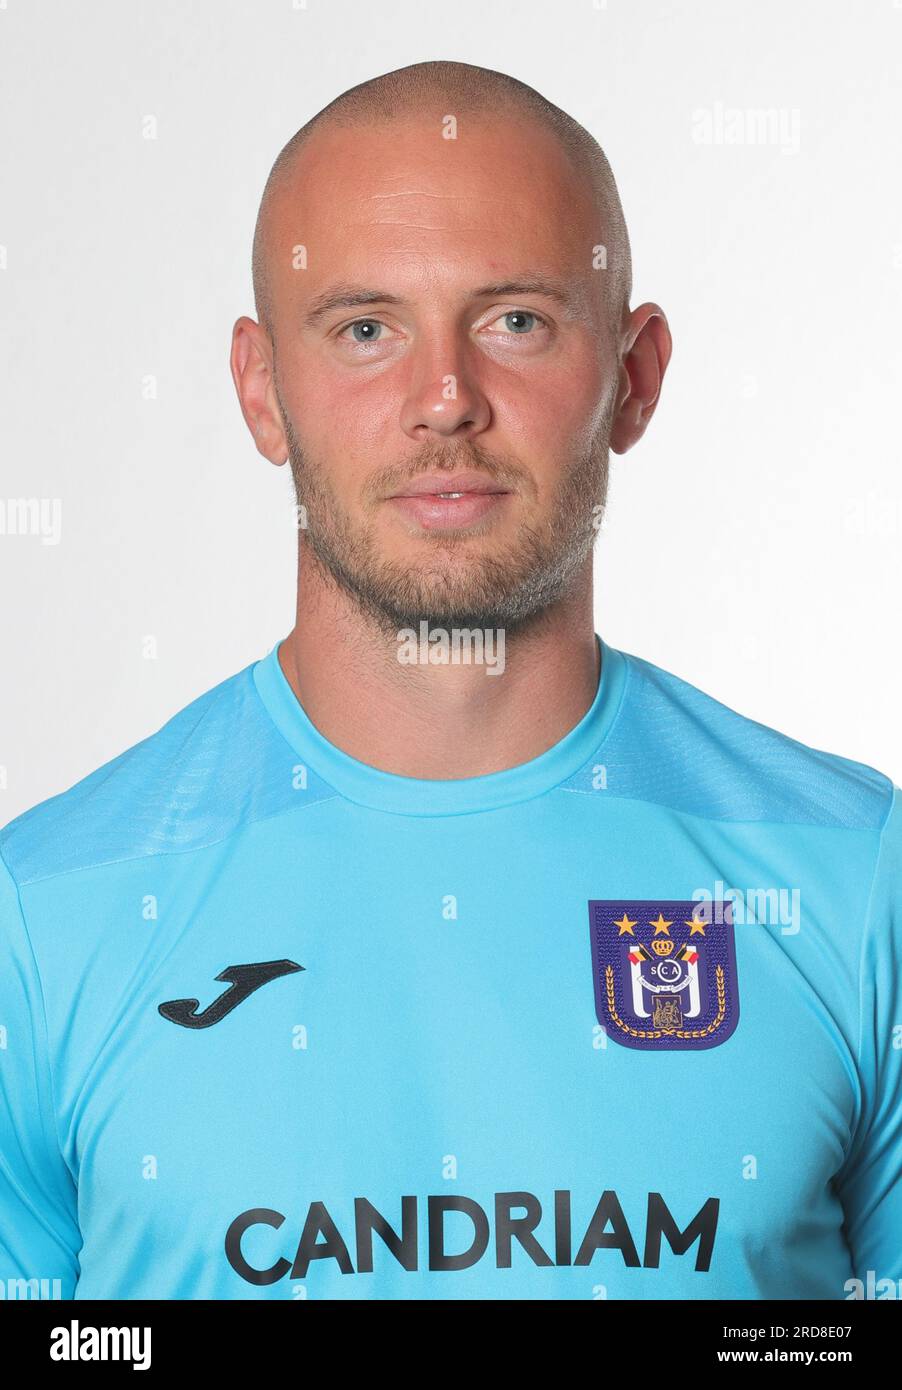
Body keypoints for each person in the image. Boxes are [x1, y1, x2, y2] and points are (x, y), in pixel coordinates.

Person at [0, 59, 898, 1301]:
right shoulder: (44, 916)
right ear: (262, 390)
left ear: (632, 377)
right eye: (365, 329)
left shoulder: (854, 881)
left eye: (513, 319)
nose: (443, 401)